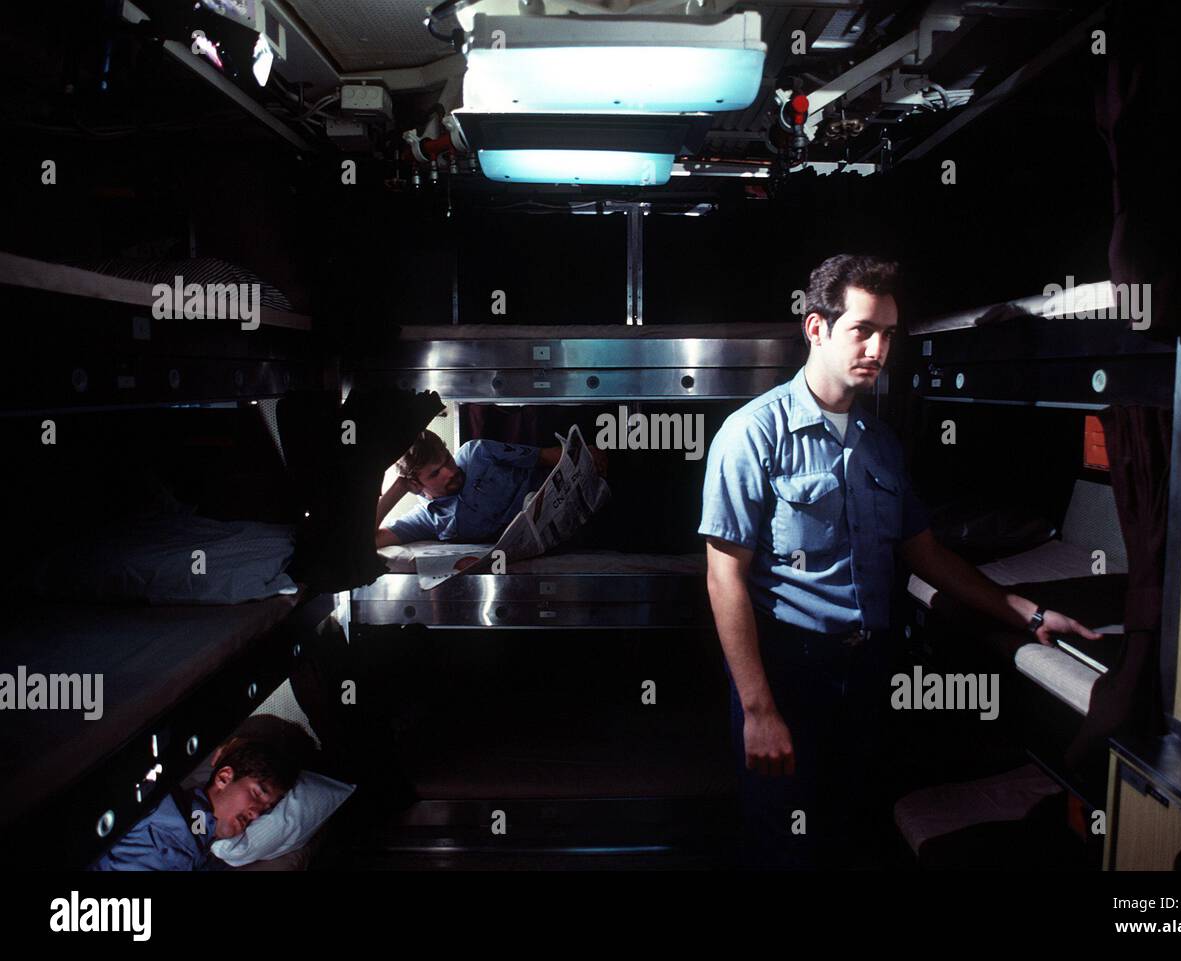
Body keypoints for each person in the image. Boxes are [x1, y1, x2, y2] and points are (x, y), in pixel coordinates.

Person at [699, 253, 1103, 869]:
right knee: (782, 847)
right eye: (862, 329)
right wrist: (758, 710)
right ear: (816, 328)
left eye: (888, 333)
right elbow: (723, 575)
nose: (878, 348)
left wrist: (1024, 610)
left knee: (850, 835)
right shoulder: (752, 435)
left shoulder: (879, 443)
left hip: (864, 672)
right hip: (787, 673)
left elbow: (926, 552)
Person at [90, 737, 300, 871]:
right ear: (224, 778)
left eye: (267, 808)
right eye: (257, 794)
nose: (257, 814)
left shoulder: (209, 850)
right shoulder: (158, 806)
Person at [374, 430, 607, 547]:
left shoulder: (477, 452)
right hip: (548, 542)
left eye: (447, 459)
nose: (449, 471)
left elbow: (545, 457)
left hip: (573, 502)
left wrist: (585, 454)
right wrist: (399, 487)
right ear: (416, 484)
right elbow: (368, 540)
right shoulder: (428, 519)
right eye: (435, 473)